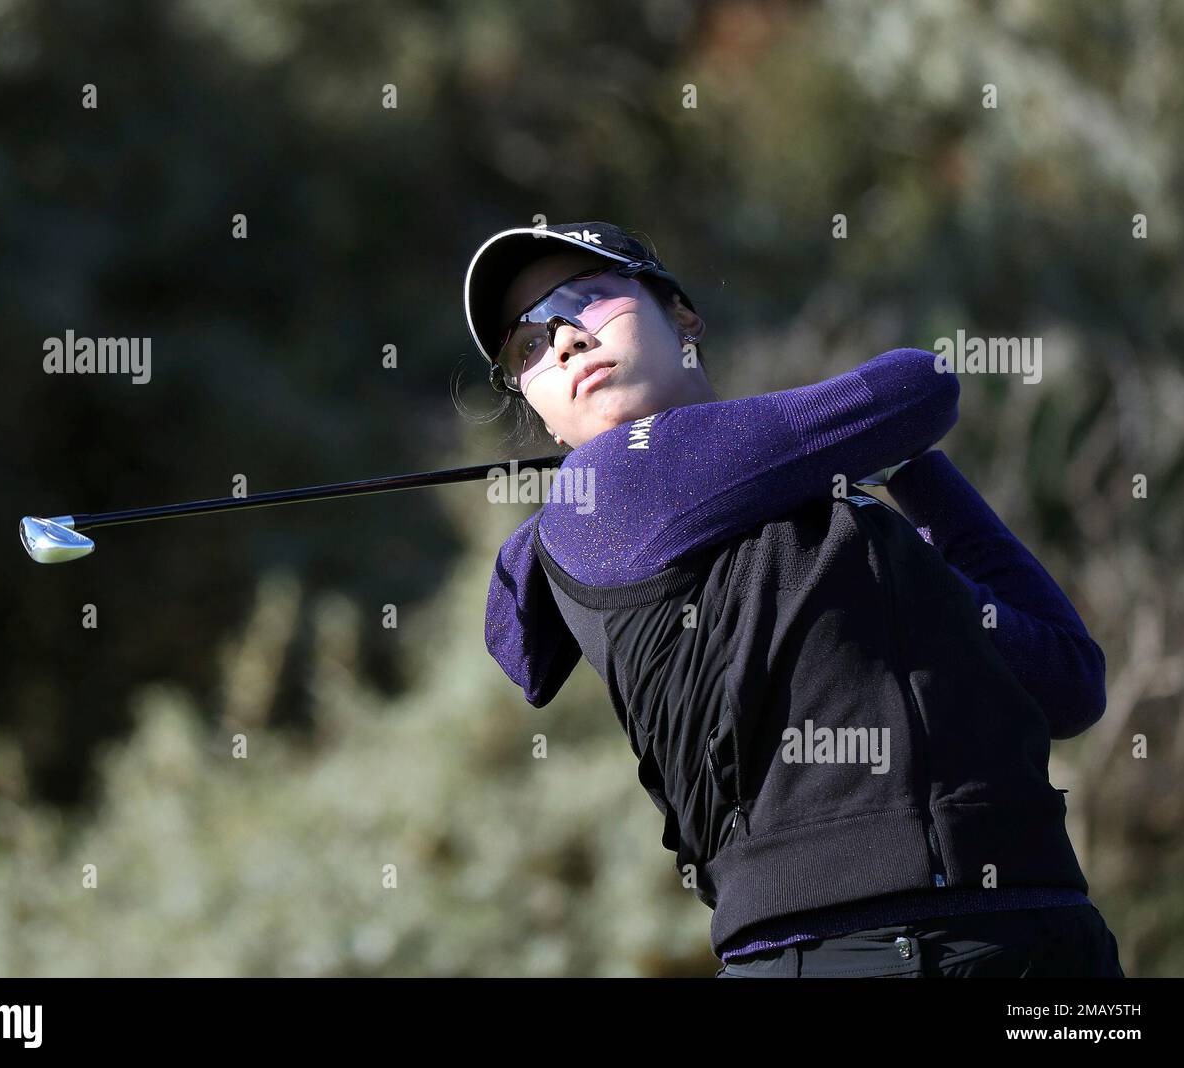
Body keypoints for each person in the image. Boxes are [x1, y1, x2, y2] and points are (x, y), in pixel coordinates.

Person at [463, 220, 1125, 978]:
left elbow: (1068, 679)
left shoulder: (858, 527)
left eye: (586, 299)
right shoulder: (609, 483)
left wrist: (898, 464)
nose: (565, 340)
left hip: (1041, 935)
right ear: (537, 407)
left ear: (683, 316)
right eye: (528, 345)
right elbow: (918, 384)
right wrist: (879, 442)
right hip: (833, 953)